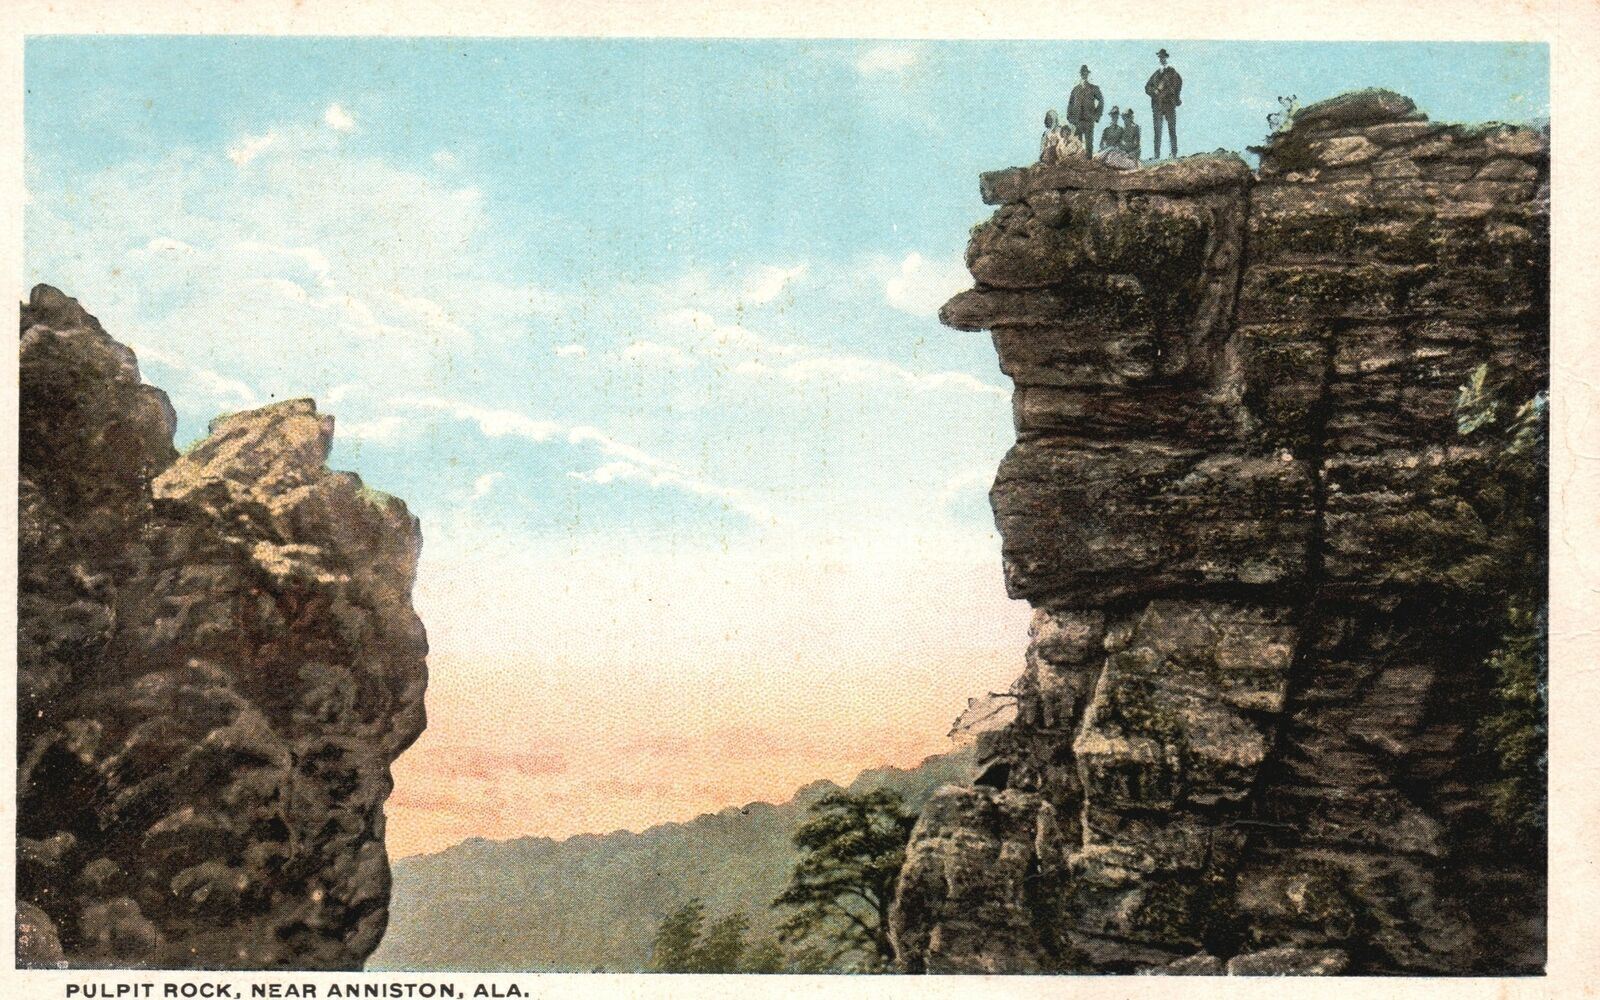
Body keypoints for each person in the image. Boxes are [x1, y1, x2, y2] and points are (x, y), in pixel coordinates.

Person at [1145, 47, 1182, 158]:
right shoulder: (1156, 74)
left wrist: (1175, 96)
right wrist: (1155, 91)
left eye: (1163, 57)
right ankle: (1157, 155)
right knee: (1157, 130)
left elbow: (1178, 84)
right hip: (1157, 105)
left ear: (1166, 58)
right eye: (1160, 57)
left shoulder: (1172, 72)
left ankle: (1174, 153)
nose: (1161, 59)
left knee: (1171, 129)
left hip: (1169, 104)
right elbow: (1147, 87)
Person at [1067, 65, 1105, 157]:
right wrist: (1070, 117)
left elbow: (1101, 100)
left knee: (1089, 145)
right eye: (1082, 72)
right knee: (1077, 145)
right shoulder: (1075, 90)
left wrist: (1096, 116)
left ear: (1088, 74)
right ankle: (1078, 166)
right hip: (1077, 121)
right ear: (1080, 74)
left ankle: (1089, 166)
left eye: (1085, 72)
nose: (1084, 74)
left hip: (1089, 120)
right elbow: (1070, 104)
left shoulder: (1093, 88)